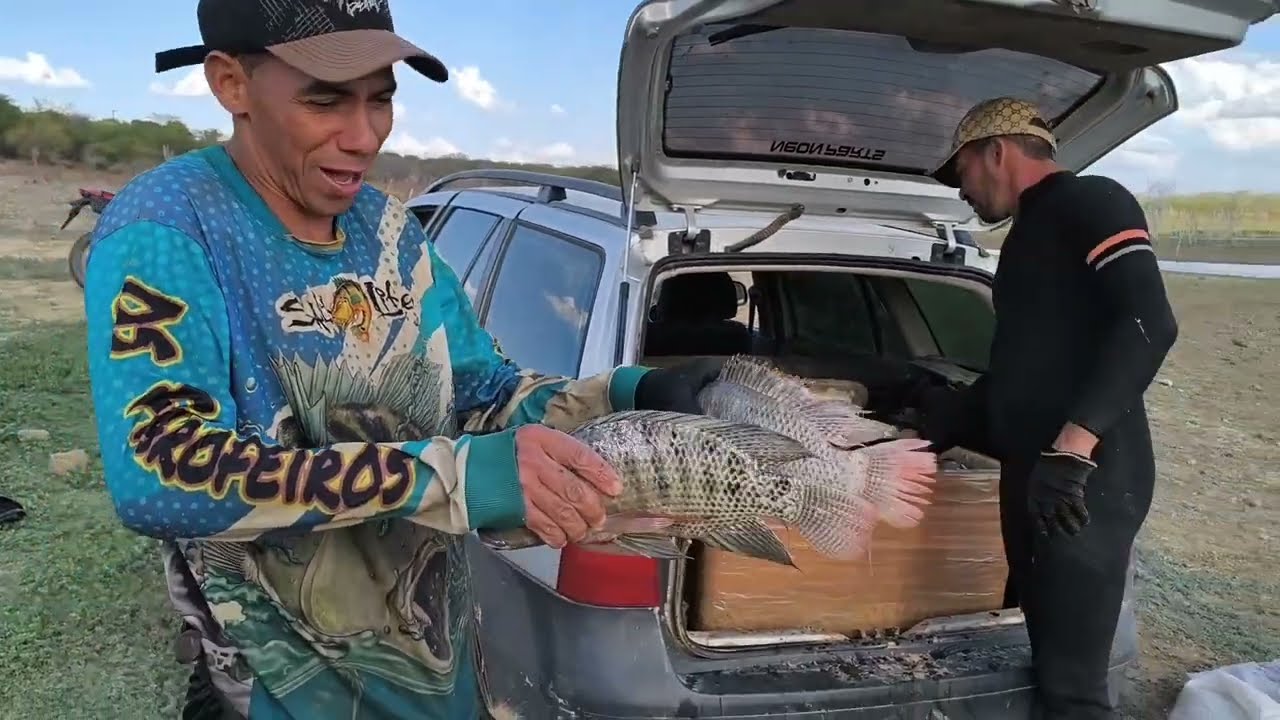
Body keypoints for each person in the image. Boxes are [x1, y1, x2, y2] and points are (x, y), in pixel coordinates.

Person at [82, 1, 723, 718]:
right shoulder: (167, 230)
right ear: (231, 84)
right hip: (280, 690)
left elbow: (483, 391)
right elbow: (161, 475)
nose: (363, 137)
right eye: (324, 100)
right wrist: (451, 477)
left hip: (431, 671)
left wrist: (625, 393)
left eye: (381, 100)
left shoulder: (387, 229)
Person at [919, 97, 1179, 719]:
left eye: (960, 176)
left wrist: (1074, 445)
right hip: (1041, 481)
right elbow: (1027, 373)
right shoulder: (1029, 234)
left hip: (1086, 485)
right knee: (1048, 668)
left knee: (1073, 689)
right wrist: (938, 415)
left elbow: (1150, 321)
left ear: (995, 151)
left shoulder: (1091, 201)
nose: (963, 194)